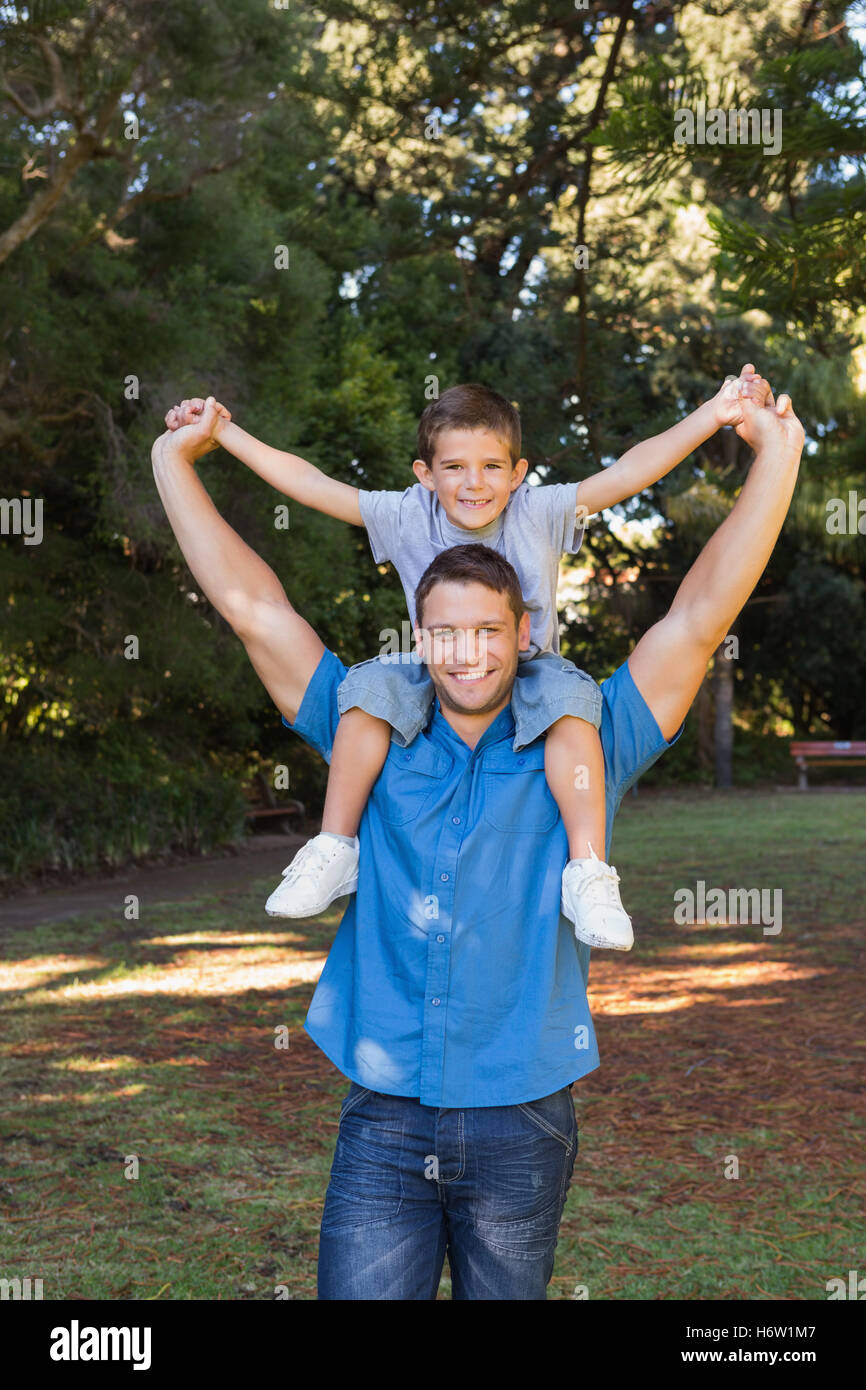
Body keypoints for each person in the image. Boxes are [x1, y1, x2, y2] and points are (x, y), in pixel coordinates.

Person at [151, 382, 803, 1300]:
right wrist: (172, 463)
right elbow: (254, 607)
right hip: (384, 1121)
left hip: (522, 1123)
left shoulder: (589, 730)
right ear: (419, 636)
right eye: (446, 634)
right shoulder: (366, 724)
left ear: (523, 630)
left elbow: (699, 617)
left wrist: (777, 459)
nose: (468, 654)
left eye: (489, 632)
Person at [164, 367, 769, 950]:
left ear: (517, 473)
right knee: (367, 692)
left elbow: (630, 472)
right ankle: (335, 844)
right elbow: (312, 485)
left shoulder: (540, 510)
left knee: (575, 709)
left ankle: (588, 871)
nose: (474, 483)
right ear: (426, 474)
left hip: (532, 670)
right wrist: (222, 432)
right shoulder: (407, 514)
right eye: (454, 467)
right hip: (431, 668)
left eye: (491, 467)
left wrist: (712, 414)